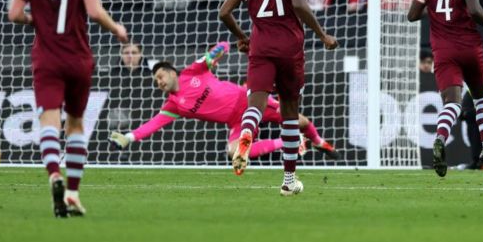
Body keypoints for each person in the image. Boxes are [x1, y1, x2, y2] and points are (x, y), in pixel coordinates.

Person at [7, 0, 128, 217]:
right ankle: (73, 192)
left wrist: (35, 20)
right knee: (75, 124)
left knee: (50, 122)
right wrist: (117, 29)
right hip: (78, 59)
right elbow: (94, 11)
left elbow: (13, 14)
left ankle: (53, 174)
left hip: (47, 59)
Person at [218, 0, 338, 195]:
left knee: (255, 105)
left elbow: (224, 11)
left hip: (260, 48)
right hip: (290, 50)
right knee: (290, 114)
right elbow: (298, 3)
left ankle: (246, 135)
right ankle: (288, 180)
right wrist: (321, 34)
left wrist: (242, 37)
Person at [108, 43, 339, 161]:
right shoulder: (174, 105)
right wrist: (128, 137)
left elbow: (223, 46)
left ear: (171, 72)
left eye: (160, 76)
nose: (158, 82)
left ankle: (319, 142)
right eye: (155, 80)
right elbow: (153, 124)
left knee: (299, 120)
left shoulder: (193, 71)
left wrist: (215, 53)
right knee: (234, 153)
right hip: (235, 121)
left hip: (250, 101)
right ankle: (289, 142)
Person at [407, 0, 483, 179]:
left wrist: (436, 11)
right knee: (482, 97)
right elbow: (473, 8)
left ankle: (440, 138)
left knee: (453, 102)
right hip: (469, 47)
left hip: (444, 51)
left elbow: (412, 15)